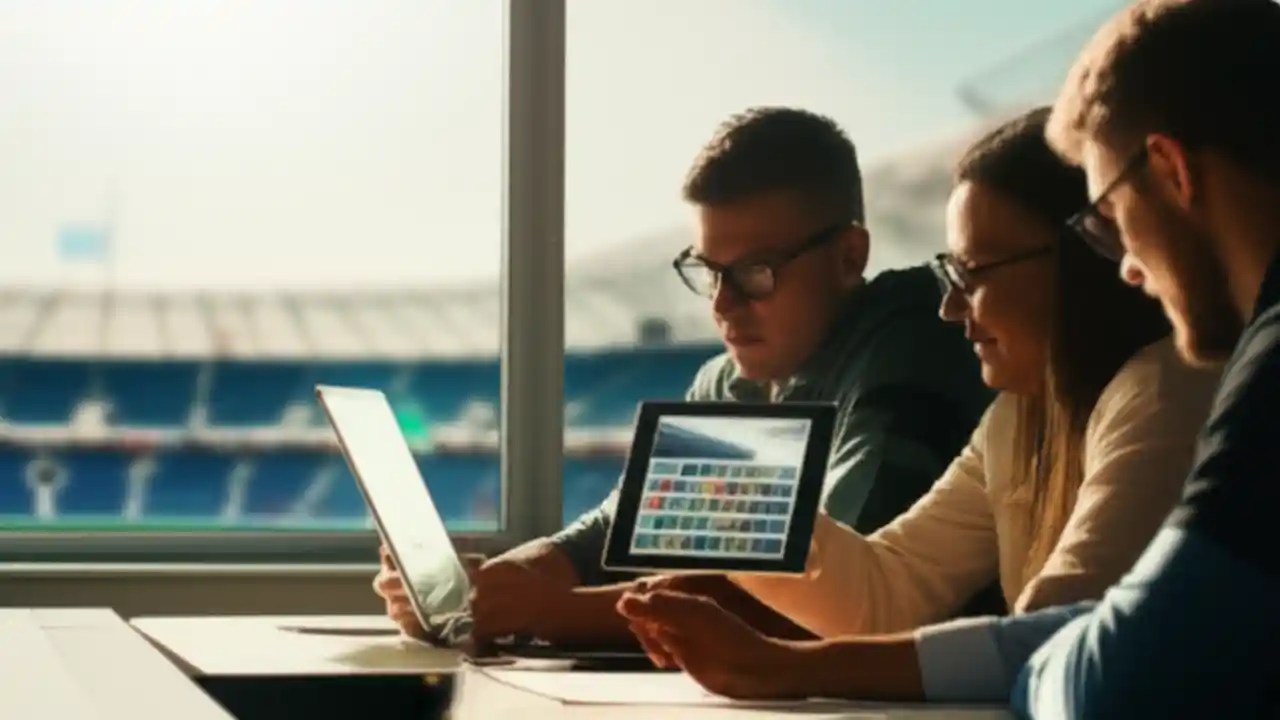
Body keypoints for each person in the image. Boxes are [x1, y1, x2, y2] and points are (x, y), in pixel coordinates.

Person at [617, 106, 1220, 700]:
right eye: (951, 275)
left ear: (1082, 259)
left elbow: (1052, 636)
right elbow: (889, 592)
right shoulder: (1014, 417)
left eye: (974, 274)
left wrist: (787, 667)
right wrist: (732, 508)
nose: (951, 309)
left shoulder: (1160, 393)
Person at [374, 107, 994, 645]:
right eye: (708, 270)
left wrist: (550, 611)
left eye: (756, 272)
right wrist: (505, 583)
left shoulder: (915, 344)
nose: (722, 305)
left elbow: (830, 601)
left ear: (850, 256)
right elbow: (615, 533)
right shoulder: (726, 383)